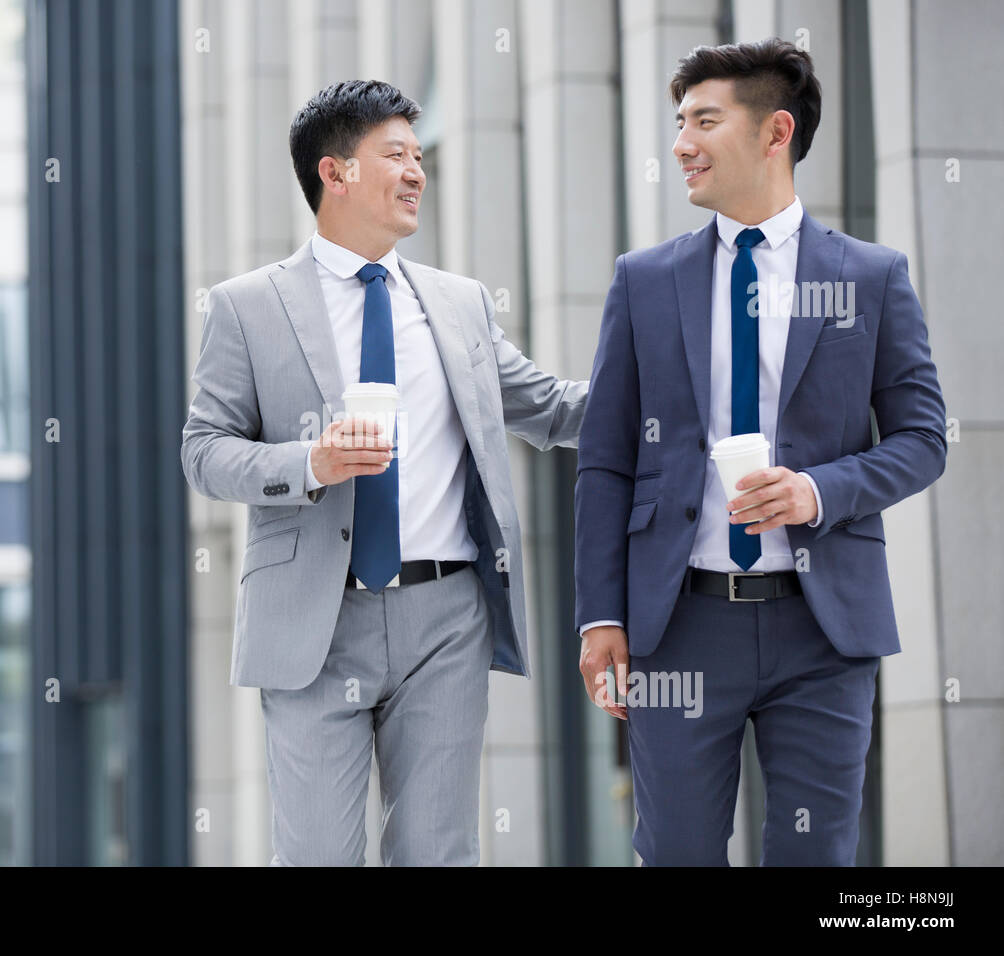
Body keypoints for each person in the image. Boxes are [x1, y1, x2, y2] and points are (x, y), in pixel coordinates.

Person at [181, 79, 587, 865]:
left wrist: (671, 390)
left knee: (439, 853)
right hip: (314, 622)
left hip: (447, 615)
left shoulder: (458, 304)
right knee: (319, 856)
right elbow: (204, 450)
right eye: (395, 155)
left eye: (419, 156)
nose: (416, 173)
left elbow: (549, 406)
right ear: (335, 174)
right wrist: (312, 461)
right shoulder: (248, 307)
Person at [574, 38, 946, 865]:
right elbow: (604, 457)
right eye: (679, 122)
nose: (681, 144)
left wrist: (820, 490)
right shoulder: (644, 280)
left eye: (704, 120)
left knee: (818, 857)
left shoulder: (871, 277)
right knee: (676, 851)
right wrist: (602, 613)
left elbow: (925, 440)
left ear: (774, 133)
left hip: (825, 631)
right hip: (680, 623)